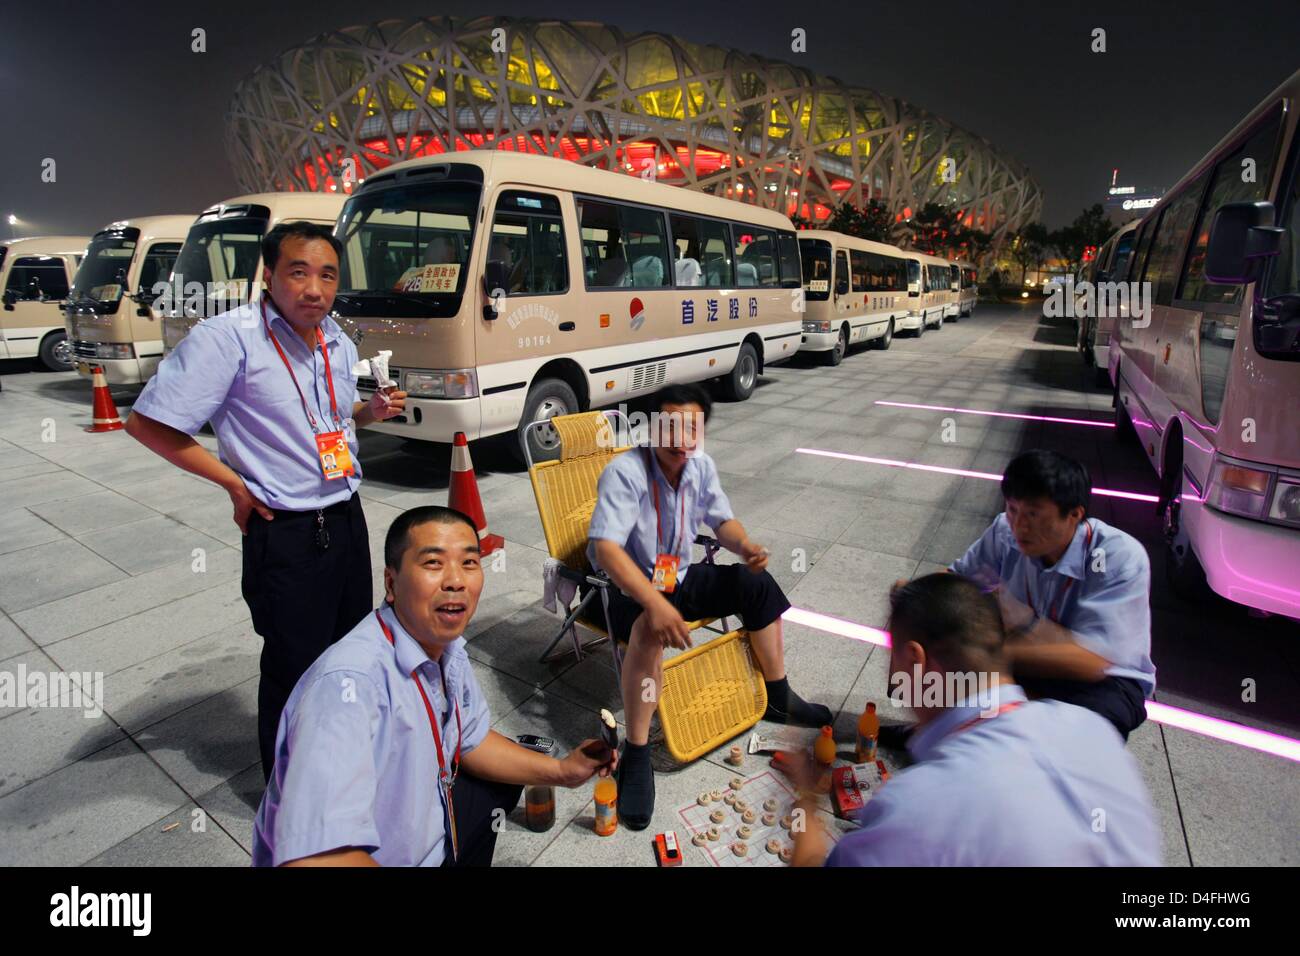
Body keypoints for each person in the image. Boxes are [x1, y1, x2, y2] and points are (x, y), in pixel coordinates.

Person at [124, 221, 409, 781]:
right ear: (268, 274)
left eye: (327, 275)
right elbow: (147, 424)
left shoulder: (336, 339)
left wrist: (369, 414)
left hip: (347, 517)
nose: (314, 289)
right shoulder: (228, 338)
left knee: (348, 651)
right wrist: (234, 483)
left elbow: (330, 419)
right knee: (292, 665)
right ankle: (288, 790)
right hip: (286, 530)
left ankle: (342, 765)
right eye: (298, 272)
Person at [252, 506, 616, 866]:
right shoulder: (348, 687)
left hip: (433, 828)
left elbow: (469, 740)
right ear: (391, 583)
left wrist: (563, 772)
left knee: (504, 776)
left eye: (469, 562)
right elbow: (315, 859)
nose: (456, 580)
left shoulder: (446, 649)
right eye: (433, 563)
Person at [587, 382, 832, 830]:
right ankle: (637, 752)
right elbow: (606, 548)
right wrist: (653, 605)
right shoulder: (625, 473)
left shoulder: (700, 466)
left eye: (692, 429)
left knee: (752, 584)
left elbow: (722, 520)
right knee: (648, 628)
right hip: (626, 588)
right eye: (672, 426)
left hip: (676, 574)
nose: (682, 439)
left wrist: (745, 545)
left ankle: (777, 696)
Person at [790, 573, 1161, 866]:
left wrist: (805, 800)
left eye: (893, 659)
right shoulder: (1092, 731)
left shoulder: (919, 809)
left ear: (916, 662)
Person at [948, 449, 1156, 740]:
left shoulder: (1116, 556)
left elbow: (1093, 660)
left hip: (1104, 679)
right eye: (1012, 509)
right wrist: (915, 598)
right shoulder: (1005, 530)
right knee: (942, 666)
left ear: (1074, 514)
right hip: (1027, 653)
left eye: (1033, 514)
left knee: (1088, 728)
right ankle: (932, 732)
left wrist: (991, 654)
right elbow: (956, 581)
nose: (1019, 525)